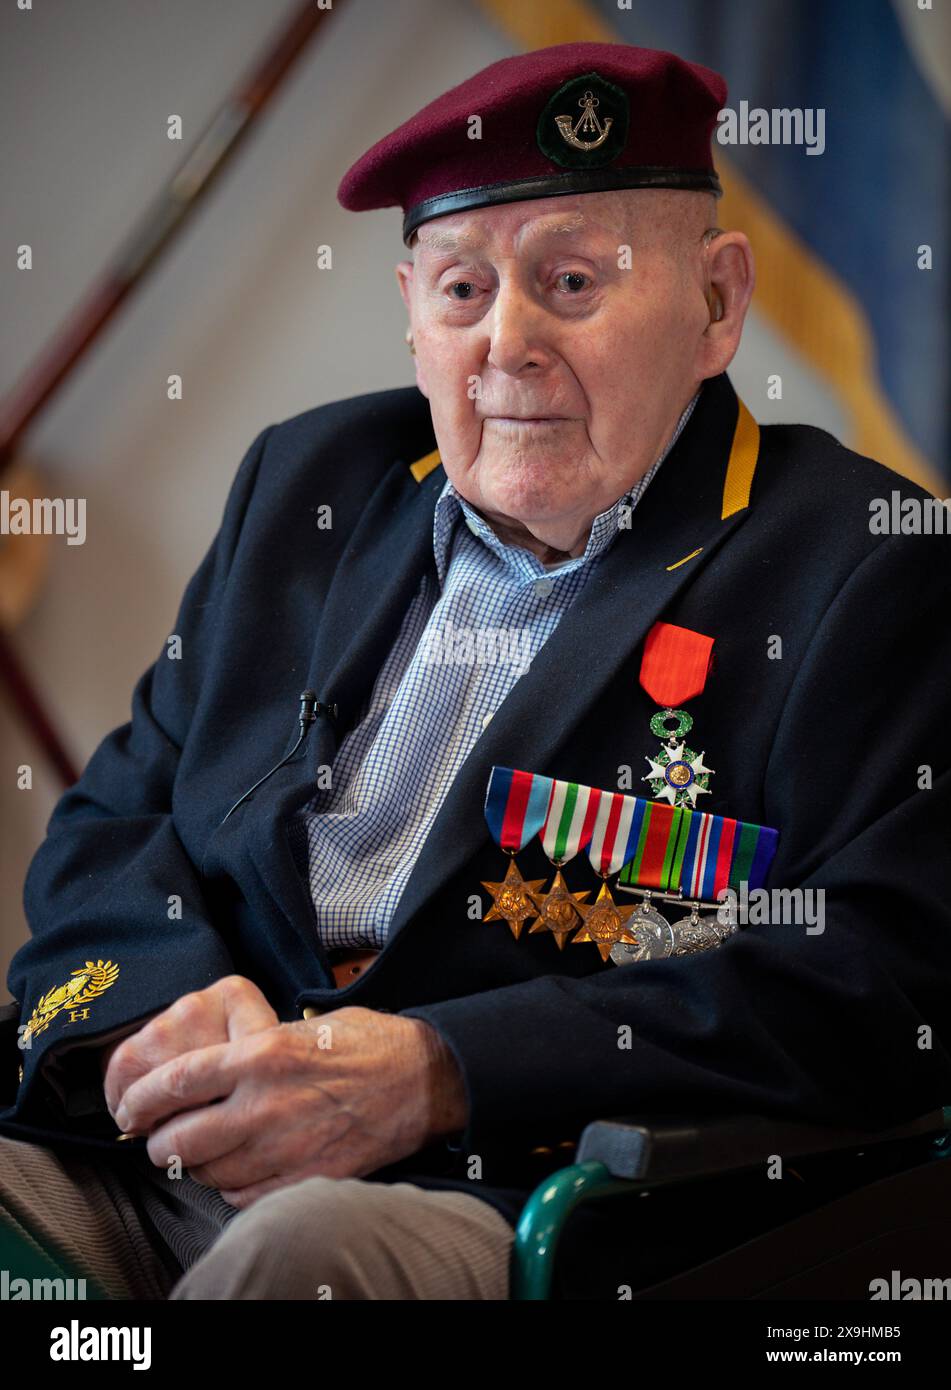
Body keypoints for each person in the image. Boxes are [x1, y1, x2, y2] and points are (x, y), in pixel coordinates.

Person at [1, 40, 949, 1302]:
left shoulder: (859, 566)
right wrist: (174, 1017)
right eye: (462, 291)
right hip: (179, 1142)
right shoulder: (308, 486)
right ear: (410, 311)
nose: (508, 342)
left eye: (571, 281)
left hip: (511, 1190)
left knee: (303, 1266)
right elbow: (114, 822)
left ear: (718, 302)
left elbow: (882, 978)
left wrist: (441, 1066)